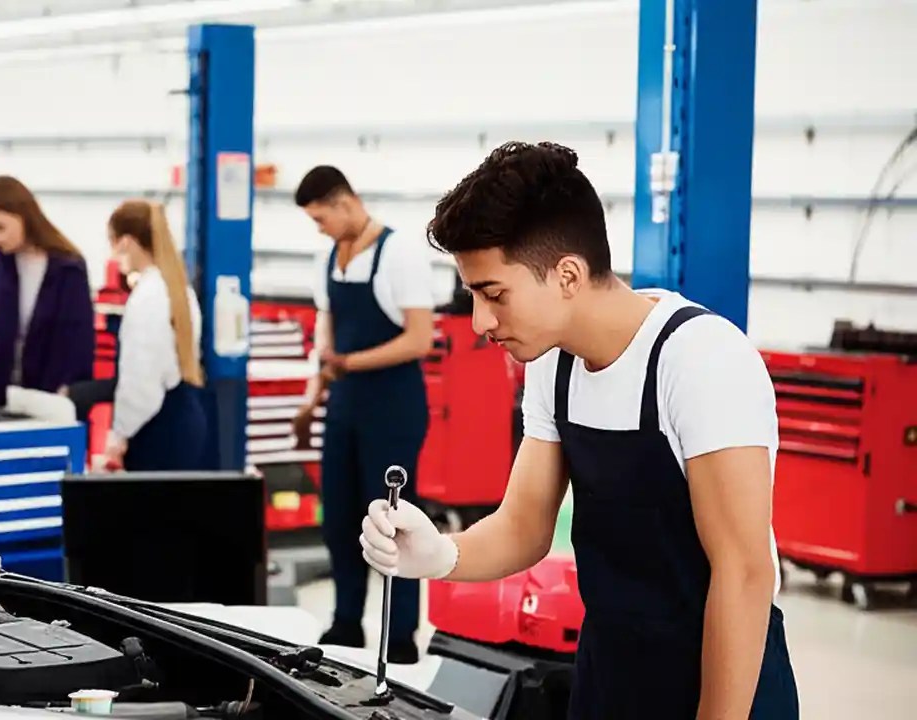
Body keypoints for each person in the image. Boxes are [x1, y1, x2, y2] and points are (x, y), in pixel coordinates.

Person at [359, 142, 799, 718]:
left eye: (494, 294)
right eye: (473, 295)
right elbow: (524, 526)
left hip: (723, 683)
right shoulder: (553, 363)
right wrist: (441, 553)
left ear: (567, 274)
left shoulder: (698, 359)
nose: (481, 321)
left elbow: (743, 573)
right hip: (609, 672)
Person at [290, 166, 435, 664]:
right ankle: (346, 623)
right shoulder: (326, 259)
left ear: (344, 202)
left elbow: (420, 338)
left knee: (394, 521)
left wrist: (348, 364)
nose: (320, 229)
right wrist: (312, 401)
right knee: (341, 517)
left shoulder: (400, 254)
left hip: (393, 402)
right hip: (345, 402)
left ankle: (400, 637)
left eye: (320, 218)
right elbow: (324, 341)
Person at [0, 176, 95, 411]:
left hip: (48, 400)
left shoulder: (69, 269)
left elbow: (78, 344)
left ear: (24, 217)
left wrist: (68, 396)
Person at [101, 199, 206, 472]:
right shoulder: (179, 289)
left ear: (125, 242)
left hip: (157, 430)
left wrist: (119, 433)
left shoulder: (147, 296)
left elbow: (141, 380)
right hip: (185, 420)